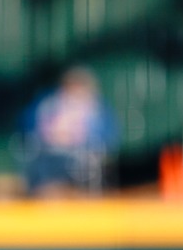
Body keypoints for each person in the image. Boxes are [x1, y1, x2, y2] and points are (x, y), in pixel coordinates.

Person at [20, 66, 118, 196]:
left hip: (82, 156)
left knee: (89, 165)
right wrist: (53, 137)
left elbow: (107, 138)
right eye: (72, 84)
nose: (75, 89)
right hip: (49, 154)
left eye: (80, 85)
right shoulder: (48, 104)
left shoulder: (98, 109)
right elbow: (28, 127)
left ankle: (79, 194)